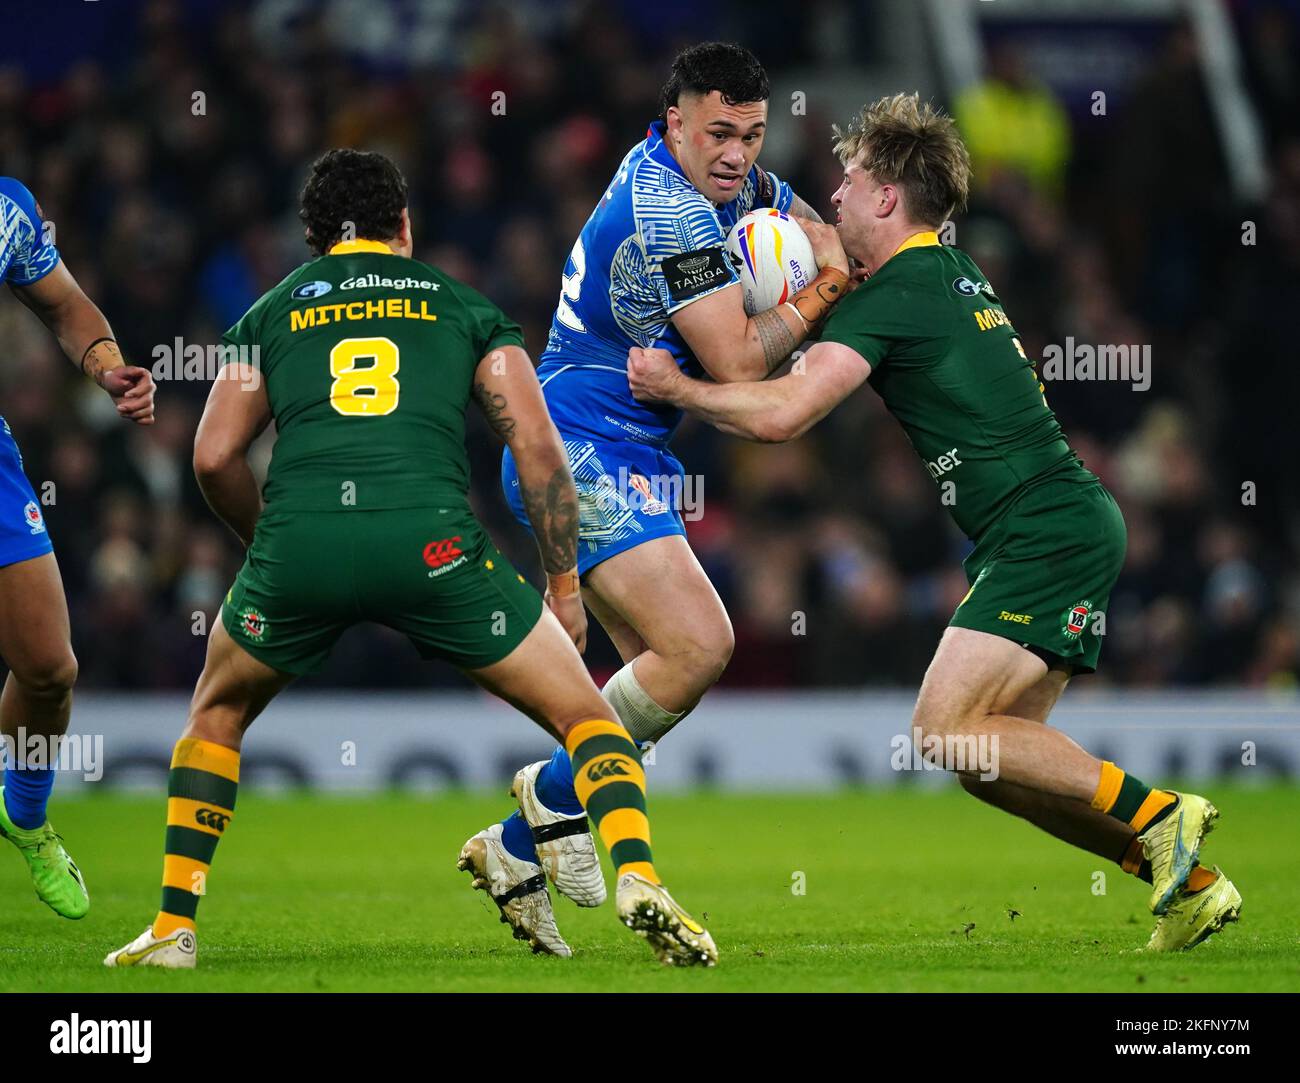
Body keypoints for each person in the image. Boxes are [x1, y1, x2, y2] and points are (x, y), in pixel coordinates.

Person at [627, 95, 1240, 953]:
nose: (834, 197)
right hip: (1057, 523)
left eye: (848, 182)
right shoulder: (941, 269)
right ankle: (1190, 883)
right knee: (993, 763)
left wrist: (677, 389)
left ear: (886, 197)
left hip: (1044, 529)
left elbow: (783, 415)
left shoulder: (900, 291)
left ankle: (1163, 810)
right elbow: (824, 299)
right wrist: (800, 249)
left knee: (942, 730)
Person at [104, 150, 715, 969]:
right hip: (435, 548)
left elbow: (213, 457)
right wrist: (563, 585)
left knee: (216, 713)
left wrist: (270, 543)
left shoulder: (271, 311)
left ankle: (173, 926)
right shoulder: (461, 306)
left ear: (315, 239)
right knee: (589, 719)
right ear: (403, 225)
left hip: (301, 547)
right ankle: (637, 874)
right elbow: (538, 448)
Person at [468, 42, 848, 949]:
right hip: (574, 445)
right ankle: (559, 811)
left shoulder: (728, 180)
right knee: (702, 642)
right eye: (718, 133)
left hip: (622, 450)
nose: (737, 155)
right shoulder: (670, 208)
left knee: (651, 688)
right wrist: (827, 283)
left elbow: (809, 218)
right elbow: (740, 362)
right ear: (674, 123)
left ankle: (518, 841)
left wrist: (825, 242)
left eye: (752, 135)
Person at [0, 177, 156, 920]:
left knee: (49, 667)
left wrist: (104, 366)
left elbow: (64, 305)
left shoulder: (8, 209)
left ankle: (24, 815)